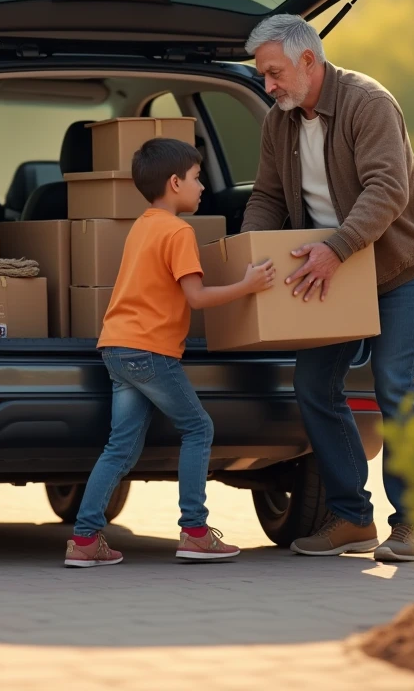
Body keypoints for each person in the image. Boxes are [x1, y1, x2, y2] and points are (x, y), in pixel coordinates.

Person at [242, 14, 414, 562]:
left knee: (394, 386)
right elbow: (268, 196)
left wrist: (337, 248)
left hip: (395, 265)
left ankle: (413, 526)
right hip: (330, 268)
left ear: (310, 61)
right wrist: (249, 250)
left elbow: (387, 188)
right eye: (263, 75)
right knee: (314, 385)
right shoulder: (278, 121)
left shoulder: (368, 102)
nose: (269, 85)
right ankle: (352, 517)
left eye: (275, 72)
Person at [64, 137, 276, 567]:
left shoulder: (142, 225)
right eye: (197, 179)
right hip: (149, 351)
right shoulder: (179, 231)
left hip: (117, 348)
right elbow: (195, 297)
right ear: (175, 182)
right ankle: (195, 531)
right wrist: (247, 286)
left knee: (120, 449)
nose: (202, 187)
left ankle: (85, 539)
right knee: (198, 428)